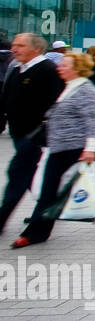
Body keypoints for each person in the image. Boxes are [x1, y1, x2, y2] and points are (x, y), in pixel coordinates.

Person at [10, 52, 95, 248]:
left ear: (77, 68)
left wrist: (90, 149)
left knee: (57, 187)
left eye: (64, 65)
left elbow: (92, 123)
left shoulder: (86, 91)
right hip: (61, 146)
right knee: (76, 182)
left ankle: (35, 232)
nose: (60, 68)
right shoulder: (68, 87)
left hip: (78, 146)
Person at [0, 34, 65, 237]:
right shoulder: (16, 68)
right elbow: (6, 99)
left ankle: (1, 219)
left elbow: (58, 104)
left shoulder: (48, 70)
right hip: (19, 133)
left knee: (17, 174)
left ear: (36, 49)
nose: (14, 49)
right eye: (14, 45)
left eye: (20, 45)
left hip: (37, 136)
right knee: (27, 177)